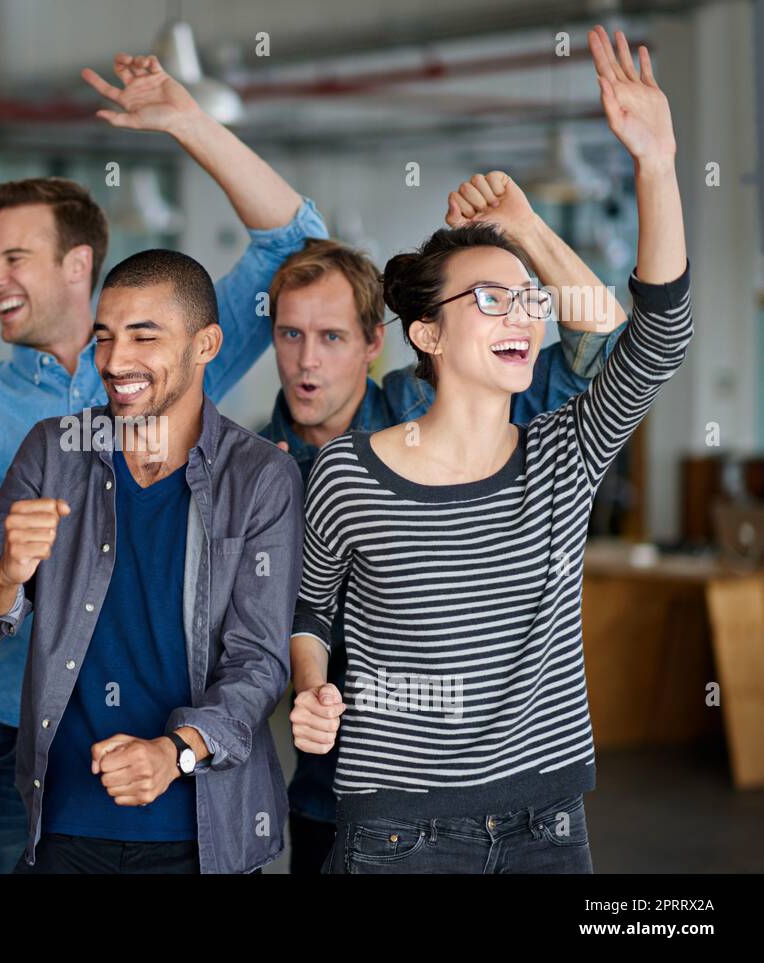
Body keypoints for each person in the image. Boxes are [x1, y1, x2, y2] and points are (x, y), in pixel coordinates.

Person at [0, 53, 325, 873]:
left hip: (183, 758)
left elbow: (296, 243)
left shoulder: (180, 339)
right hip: (17, 738)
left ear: (79, 265)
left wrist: (188, 122)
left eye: (12, 257)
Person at [290, 26, 691, 874]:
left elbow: (654, 336)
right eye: (490, 298)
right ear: (426, 332)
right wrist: (310, 685)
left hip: (548, 825)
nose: (522, 313)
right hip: (395, 831)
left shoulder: (563, 454)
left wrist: (653, 164)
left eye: (526, 299)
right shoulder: (348, 472)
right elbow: (313, 610)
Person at [261, 175, 627, 874]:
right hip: (341, 790)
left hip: (506, 793)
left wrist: (523, 231)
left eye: (331, 336)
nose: (308, 359)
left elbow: (603, 344)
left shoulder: (441, 400)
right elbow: (303, 609)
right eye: (291, 334)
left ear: (377, 342)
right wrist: (306, 684)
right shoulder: (264, 460)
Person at [0, 249, 303, 874]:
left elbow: (259, 662)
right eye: (104, 337)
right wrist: (7, 572)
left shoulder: (260, 476)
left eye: (144, 336)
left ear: (206, 344)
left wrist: (174, 755)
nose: (114, 362)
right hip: (62, 819)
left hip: (202, 827)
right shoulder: (53, 450)